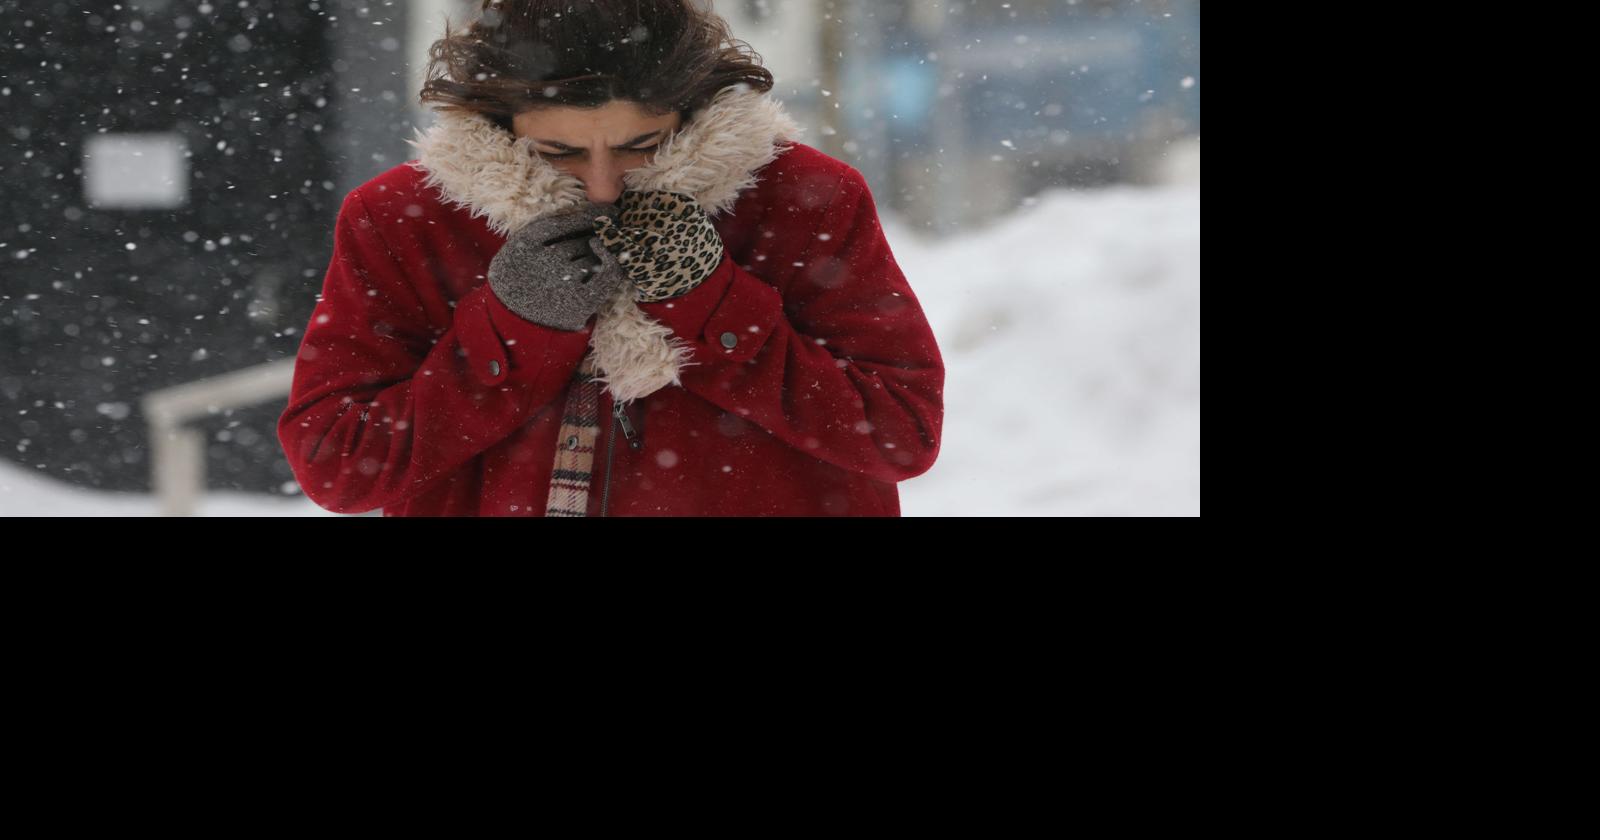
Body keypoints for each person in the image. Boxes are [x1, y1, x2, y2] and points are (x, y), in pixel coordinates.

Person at [276, 0, 945, 516]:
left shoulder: (803, 198)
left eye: (640, 144)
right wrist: (513, 329)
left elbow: (900, 432)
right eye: (559, 152)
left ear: (690, 112)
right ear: (499, 123)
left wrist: (708, 301)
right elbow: (337, 462)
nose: (602, 185)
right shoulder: (403, 217)